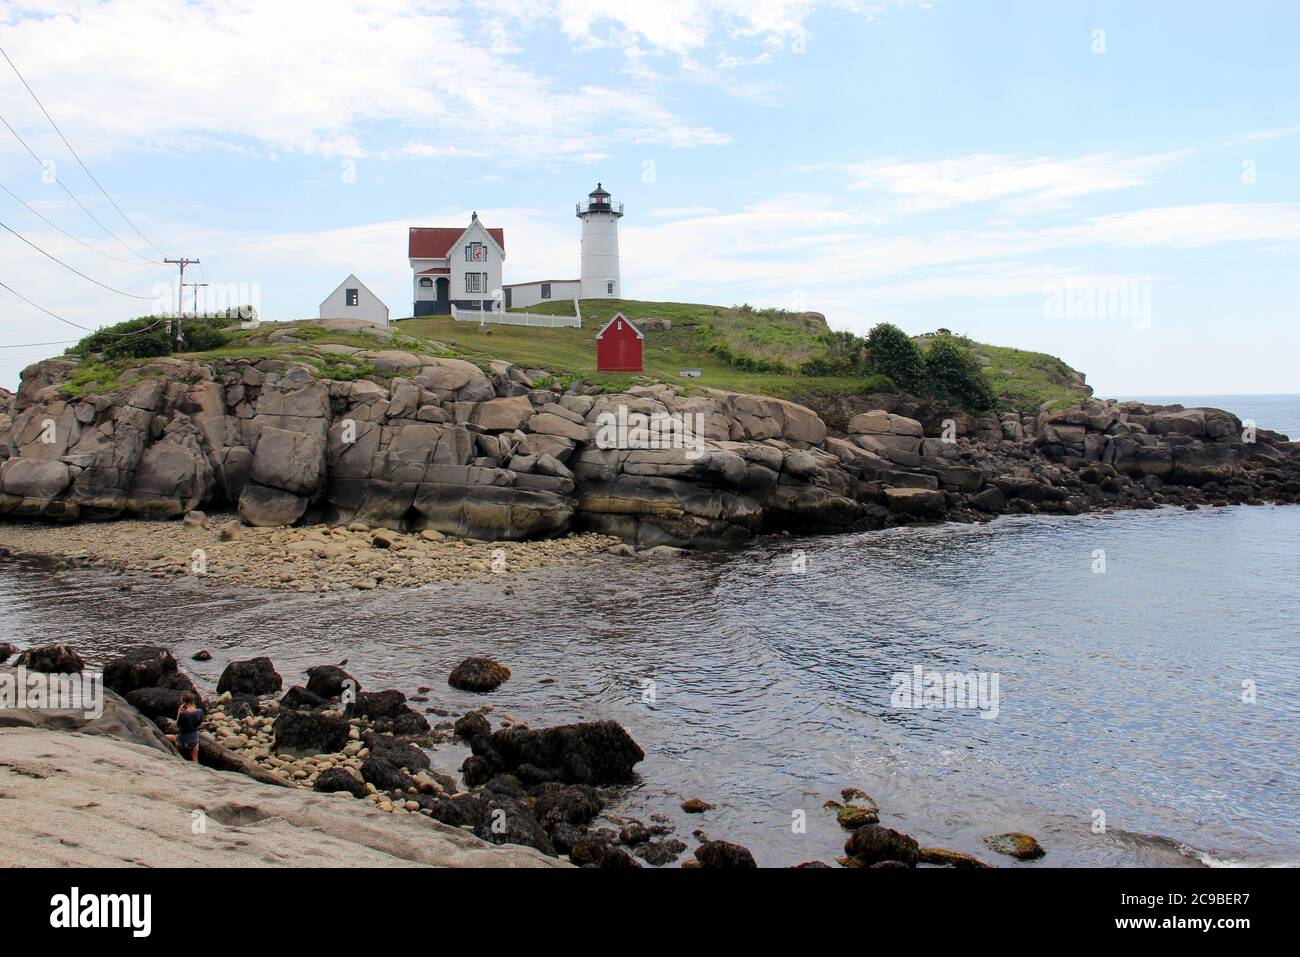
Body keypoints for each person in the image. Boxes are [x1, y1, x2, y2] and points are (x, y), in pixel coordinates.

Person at [168, 691, 204, 762]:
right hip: (194, 738)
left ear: (183, 702)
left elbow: (178, 724)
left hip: (182, 739)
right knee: (195, 759)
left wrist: (179, 712)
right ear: (193, 700)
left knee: (166, 737)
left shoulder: (183, 714)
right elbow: (199, 723)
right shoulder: (200, 711)